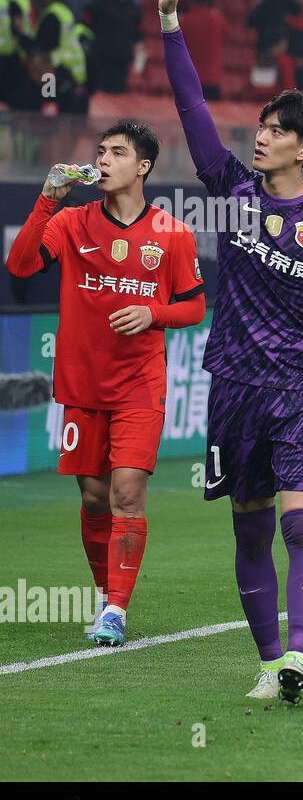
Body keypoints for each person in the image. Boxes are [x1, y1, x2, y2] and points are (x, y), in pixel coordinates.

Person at [160, 0, 303, 704]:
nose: (261, 136)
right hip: (234, 391)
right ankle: (267, 659)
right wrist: (170, 25)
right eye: (261, 124)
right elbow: (191, 115)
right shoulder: (230, 192)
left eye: (277, 130)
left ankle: (302, 658)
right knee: (248, 532)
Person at [4, 122, 205, 646]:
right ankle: (105, 594)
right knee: (94, 498)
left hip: (141, 385)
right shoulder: (72, 222)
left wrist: (153, 313)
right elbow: (20, 265)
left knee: (126, 492)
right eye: (100, 151)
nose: (104, 159)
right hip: (82, 386)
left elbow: (195, 306)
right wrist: (47, 200)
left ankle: (116, 609)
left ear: (142, 167)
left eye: (118, 152)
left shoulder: (173, 234)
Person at [85, 0, 140, 94]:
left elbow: (136, 34)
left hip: (122, 66)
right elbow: (84, 27)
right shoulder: (100, 4)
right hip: (100, 64)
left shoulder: (134, 9)